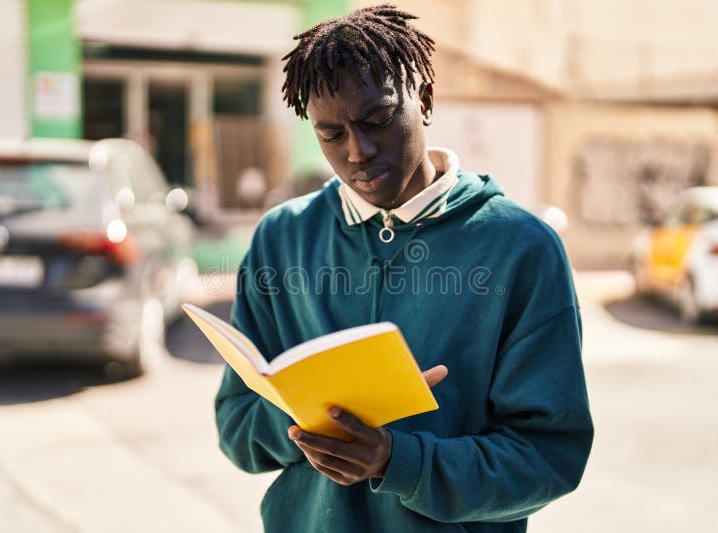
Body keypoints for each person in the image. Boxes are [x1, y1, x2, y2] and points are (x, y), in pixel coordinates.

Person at [215, 5, 593, 532]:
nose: (359, 152)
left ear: (427, 100)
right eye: (331, 134)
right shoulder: (282, 238)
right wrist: (310, 418)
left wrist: (399, 461)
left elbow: (548, 457)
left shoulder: (521, 249)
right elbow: (235, 428)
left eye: (377, 120)